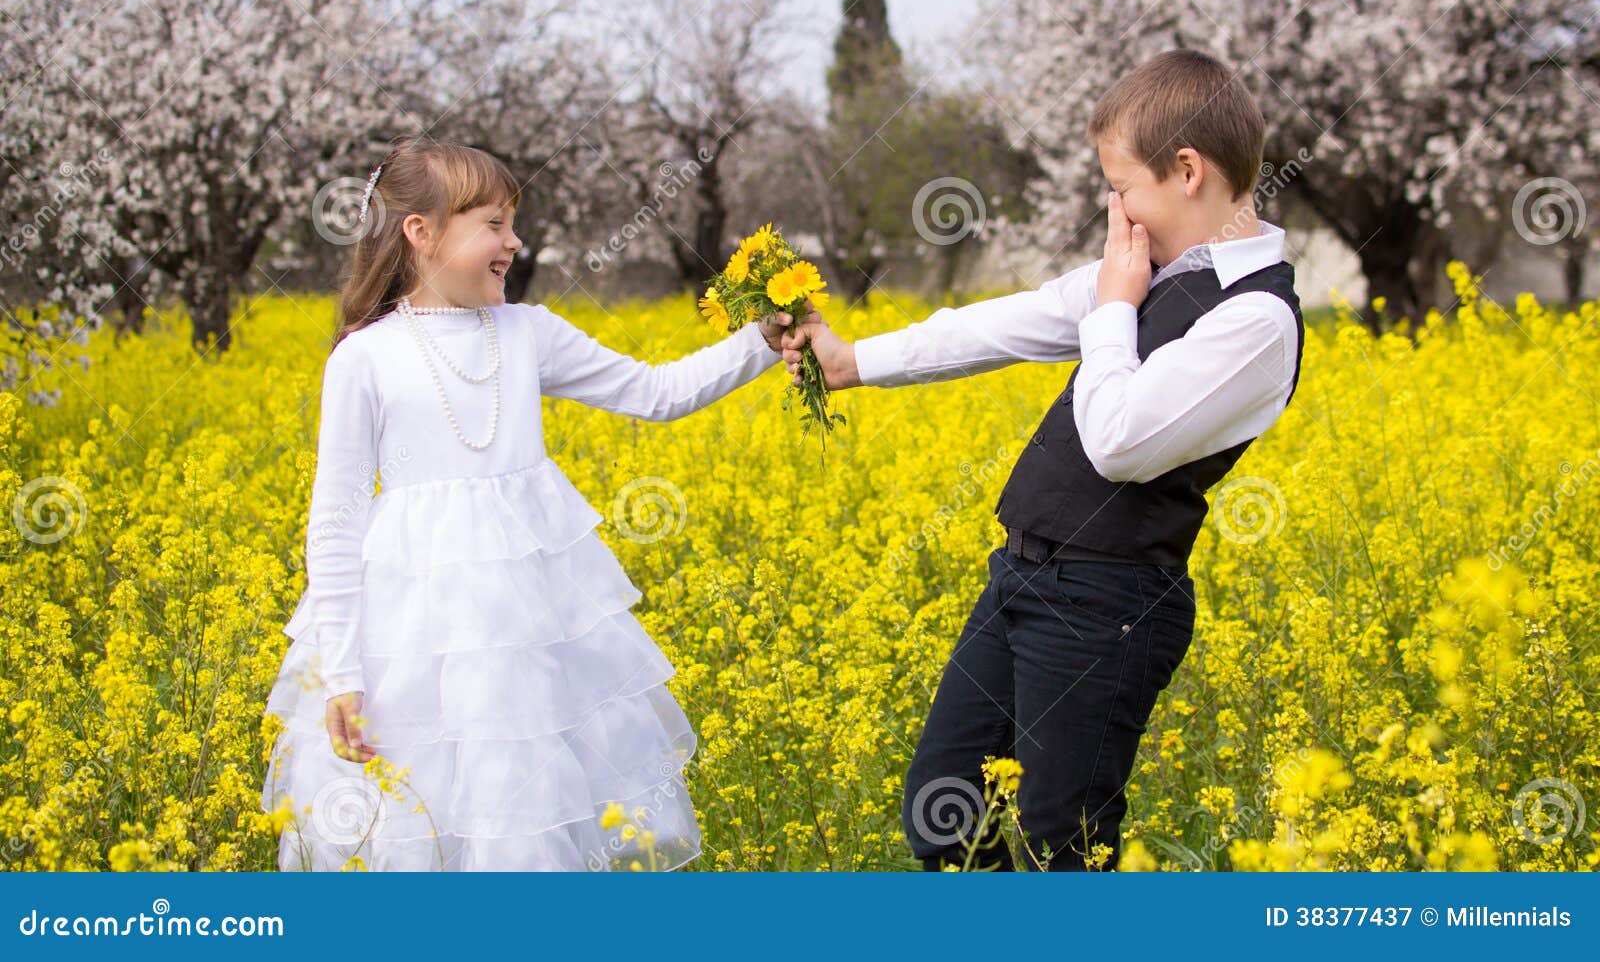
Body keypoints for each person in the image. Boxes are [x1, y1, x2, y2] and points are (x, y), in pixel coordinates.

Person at [782, 49, 1305, 871]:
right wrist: (853, 363)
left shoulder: (1258, 319)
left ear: (1188, 171)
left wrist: (1114, 309)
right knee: (945, 812)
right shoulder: (1147, 273)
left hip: (1111, 601)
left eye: (1122, 186)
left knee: (1063, 846)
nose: (1114, 208)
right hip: (1023, 573)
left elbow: (1121, 441)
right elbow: (1007, 324)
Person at [260, 135, 792, 871]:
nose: (516, 241)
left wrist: (762, 339)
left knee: (527, 810)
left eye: (513, 222)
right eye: (494, 224)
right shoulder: (364, 357)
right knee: (419, 813)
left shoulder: (529, 333)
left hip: (529, 632)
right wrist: (342, 673)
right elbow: (337, 518)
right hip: (411, 638)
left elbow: (656, 393)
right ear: (421, 232)